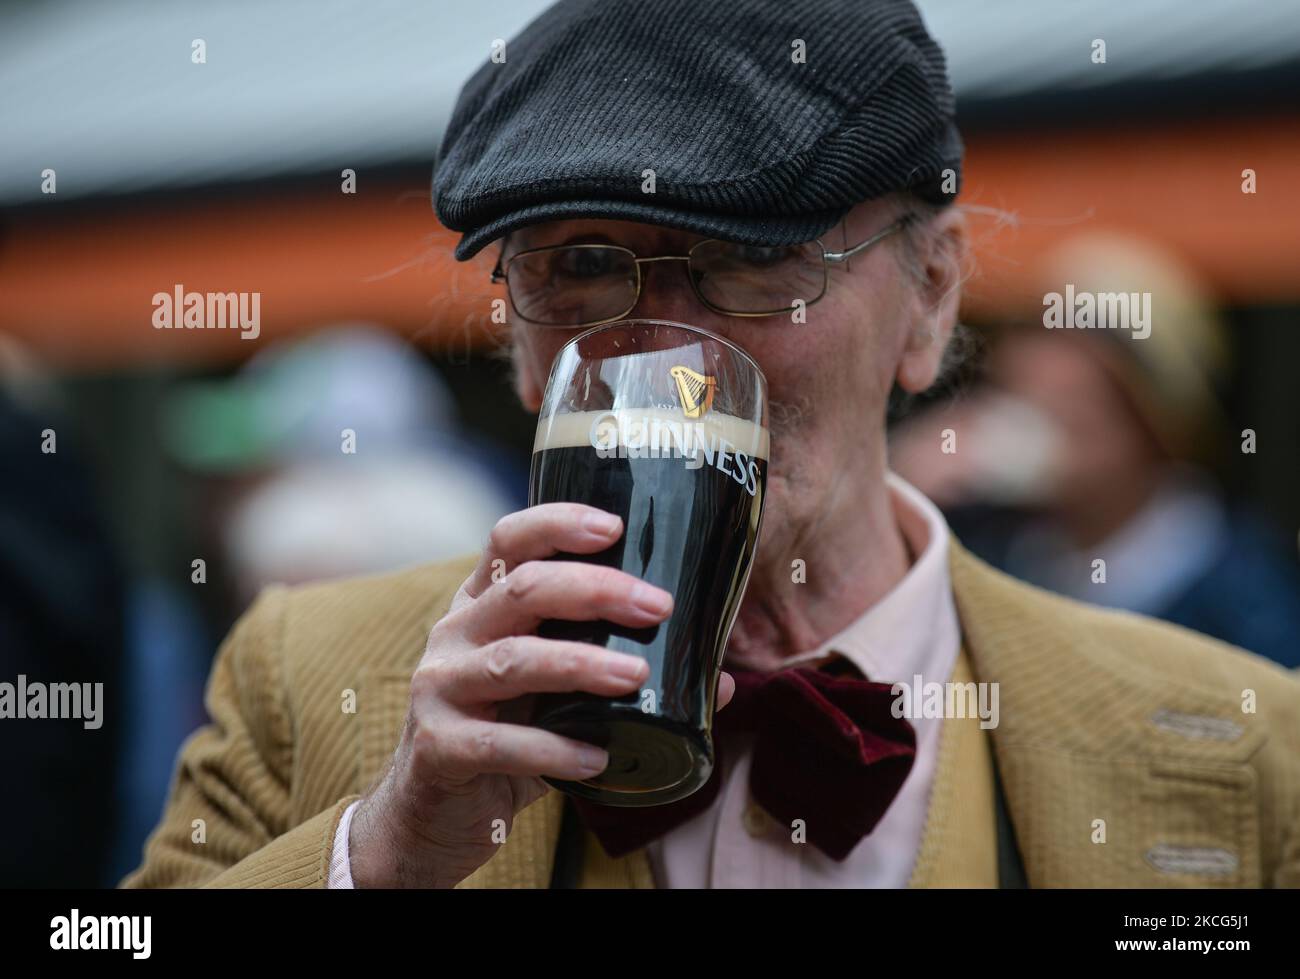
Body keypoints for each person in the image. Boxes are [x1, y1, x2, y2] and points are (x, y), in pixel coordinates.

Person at [122, 0, 1300, 890]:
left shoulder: (1243, 745)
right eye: (583, 267)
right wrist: (380, 859)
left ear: (930, 297)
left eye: (754, 258)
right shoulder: (303, 675)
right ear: (523, 350)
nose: (671, 366)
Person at [891, 232, 1300, 668]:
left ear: (1154, 428)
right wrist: (904, 496)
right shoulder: (986, 544)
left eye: (1078, 409)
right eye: (1022, 396)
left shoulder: (1245, 597)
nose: (1039, 428)